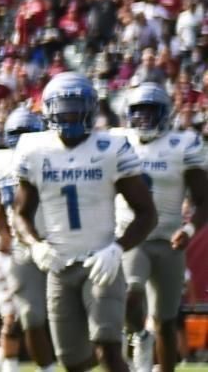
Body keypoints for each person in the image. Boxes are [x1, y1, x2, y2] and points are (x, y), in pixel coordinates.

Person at [14, 73, 158, 372]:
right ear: (49, 110)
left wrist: (117, 249)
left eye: (75, 106)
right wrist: (35, 245)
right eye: (62, 107)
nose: (69, 114)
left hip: (100, 263)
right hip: (58, 265)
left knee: (107, 346)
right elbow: (20, 213)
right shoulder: (34, 149)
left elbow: (147, 212)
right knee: (74, 362)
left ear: (90, 109)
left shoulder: (112, 147)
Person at [112, 84, 207, 372]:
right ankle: (139, 335)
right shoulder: (117, 142)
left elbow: (204, 199)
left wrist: (189, 231)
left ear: (164, 114)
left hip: (168, 239)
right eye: (137, 112)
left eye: (150, 112)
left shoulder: (183, 144)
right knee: (132, 291)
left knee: (166, 319)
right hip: (131, 237)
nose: (143, 119)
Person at [0, 107, 58, 372]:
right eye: (18, 134)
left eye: (28, 133)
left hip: (60, 244)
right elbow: (6, 205)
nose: (24, 140)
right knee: (29, 316)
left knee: (70, 316)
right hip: (24, 249)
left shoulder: (55, 157)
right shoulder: (1, 164)